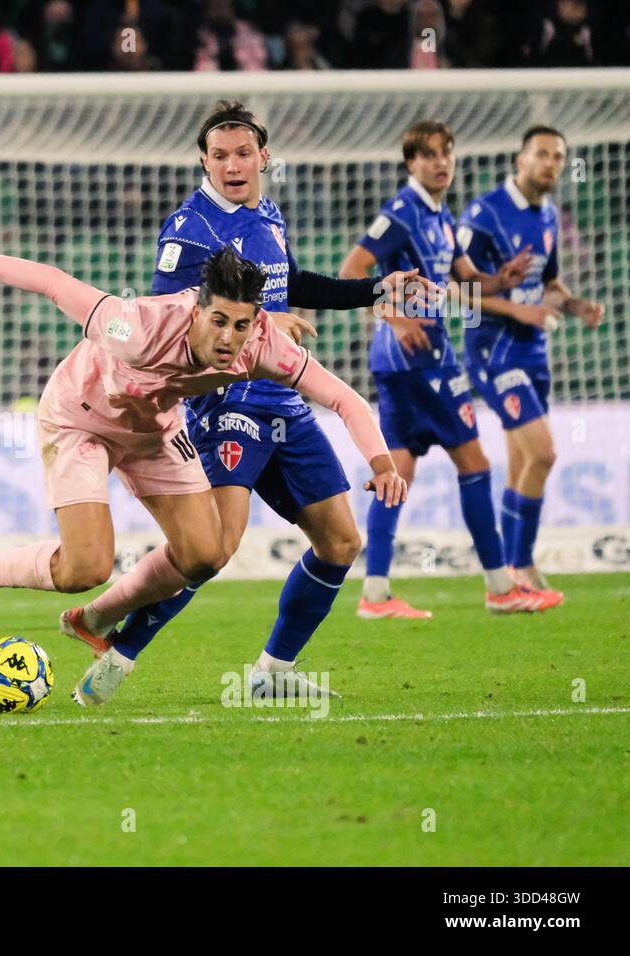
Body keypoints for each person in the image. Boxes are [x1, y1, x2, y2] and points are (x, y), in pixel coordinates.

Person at [0, 220, 406, 668]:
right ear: (196, 311)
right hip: (82, 421)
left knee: (206, 555)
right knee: (86, 568)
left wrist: (382, 464)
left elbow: (344, 398)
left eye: (242, 325)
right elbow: (54, 283)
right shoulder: (136, 326)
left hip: (155, 430)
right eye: (219, 321)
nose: (229, 338)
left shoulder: (263, 343)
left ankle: (95, 622)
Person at [75, 99, 431, 708]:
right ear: (204, 162)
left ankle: (271, 671)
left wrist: (376, 289)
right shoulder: (189, 231)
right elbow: (172, 322)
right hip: (226, 398)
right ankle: (119, 650)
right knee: (213, 549)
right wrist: (263, 324)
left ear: (263, 157)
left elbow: (292, 283)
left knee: (341, 541)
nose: (232, 165)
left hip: (281, 398)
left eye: (243, 154)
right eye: (219, 156)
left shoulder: (267, 213)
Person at [338, 119, 563, 618]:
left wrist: (500, 278)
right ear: (411, 162)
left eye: (447, 153)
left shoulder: (440, 216)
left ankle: (374, 594)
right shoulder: (402, 212)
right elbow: (351, 272)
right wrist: (396, 320)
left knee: (400, 471)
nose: (441, 162)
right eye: (429, 154)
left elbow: (469, 280)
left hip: (405, 360)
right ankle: (501, 585)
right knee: (476, 465)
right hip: (420, 356)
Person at [457, 125, 603, 589]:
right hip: (493, 352)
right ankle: (520, 565)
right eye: (542, 154)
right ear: (520, 159)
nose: (550, 163)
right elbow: (462, 290)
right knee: (544, 453)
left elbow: (548, 282)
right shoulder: (484, 214)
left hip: (533, 352)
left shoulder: (549, 216)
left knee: (523, 464)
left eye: (558, 156)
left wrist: (576, 305)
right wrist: (518, 308)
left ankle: (503, 573)